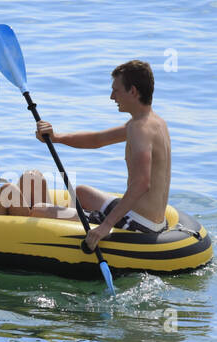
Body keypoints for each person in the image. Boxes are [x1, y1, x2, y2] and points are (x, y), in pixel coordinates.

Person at [32, 59, 171, 248]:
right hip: (147, 217)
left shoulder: (140, 129)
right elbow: (97, 140)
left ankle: (81, 235)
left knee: (39, 211)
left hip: (138, 225)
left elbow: (141, 183)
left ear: (133, 91)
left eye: (116, 90)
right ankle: (78, 229)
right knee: (81, 192)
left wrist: (105, 226)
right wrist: (56, 137)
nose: (112, 97)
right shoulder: (152, 122)